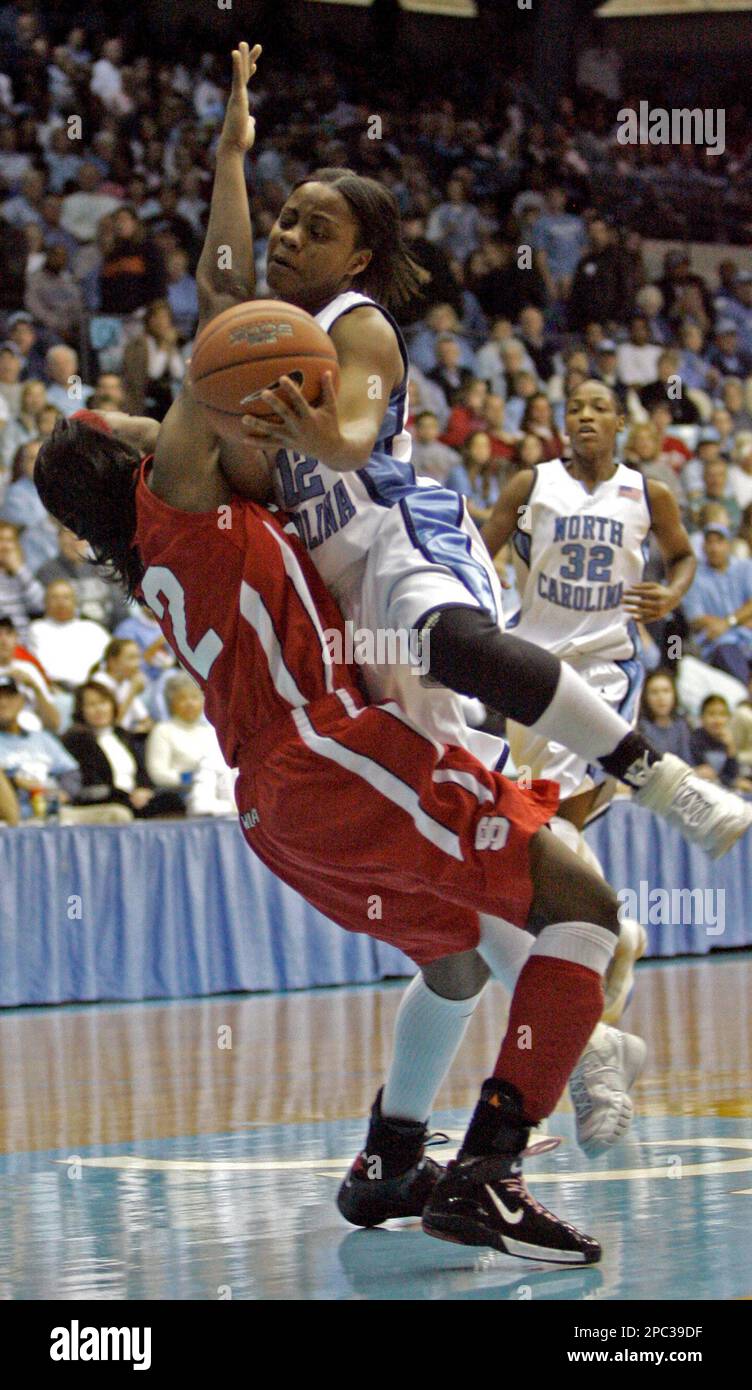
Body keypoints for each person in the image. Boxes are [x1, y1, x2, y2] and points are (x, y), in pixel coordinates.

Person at [33, 43, 674, 1265]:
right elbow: (226, 314)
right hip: (330, 760)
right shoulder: (175, 496)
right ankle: (489, 1167)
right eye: (134, 418)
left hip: (287, 807)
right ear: (131, 465)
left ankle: (388, 1160)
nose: (162, 411)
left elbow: (234, 326)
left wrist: (233, 156)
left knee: (448, 965)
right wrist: (231, 191)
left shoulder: (190, 532)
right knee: (580, 907)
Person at [62, 681, 184, 818]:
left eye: (103, 703)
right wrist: (126, 795)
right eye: (91, 705)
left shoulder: (123, 735)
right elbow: (91, 784)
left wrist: (143, 790)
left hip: (134, 798)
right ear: (80, 710)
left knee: (174, 800)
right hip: (103, 799)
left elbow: (142, 772)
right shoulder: (76, 739)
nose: (99, 709)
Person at [683, 523, 752, 685]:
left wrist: (728, 622)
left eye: (719, 542)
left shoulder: (745, 567)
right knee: (726, 648)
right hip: (716, 644)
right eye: (710, 542)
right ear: (703, 547)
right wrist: (741, 619)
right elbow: (696, 618)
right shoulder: (695, 576)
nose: (714, 548)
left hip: (745, 637)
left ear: (729, 545)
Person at [27, 580, 110, 690]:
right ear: (45, 603)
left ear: (75, 602)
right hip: (54, 690)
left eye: (66, 597)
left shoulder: (93, 629)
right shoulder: (36, 629)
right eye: (54, 598)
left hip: (93, 690)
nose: (60, 603)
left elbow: (111, 660)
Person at [690, 694, 752, 793]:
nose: (717, 720)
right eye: (711, 714)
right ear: (701, 718)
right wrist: (732, 782)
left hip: (724, 789)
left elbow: (732, 773)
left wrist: (731, 749)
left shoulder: (727, 740)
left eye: (722, 714)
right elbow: (707, 773)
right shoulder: (696, 739)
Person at [90, 638, 152, 733]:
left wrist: (139, 728)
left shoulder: (126, 684)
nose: (137, 664)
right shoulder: (99, 682)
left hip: (125, 736)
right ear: (113, 662)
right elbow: (111, 723)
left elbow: (146, 721)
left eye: (138, 658)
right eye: (131, 658)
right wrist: (132, 691)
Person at [0, 520, 44, 641]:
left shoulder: (22, 574)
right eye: (1, 540)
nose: (6, 546)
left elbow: (41, 605)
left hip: (23, 646)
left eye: (10, 540)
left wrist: (19, 570)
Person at [638, 669, 693, 764]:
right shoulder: (640, 728)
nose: (661, 698)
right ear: (645, 697)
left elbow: (687, 761)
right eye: (654, 692)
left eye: (666, 691)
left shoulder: (680, 725)